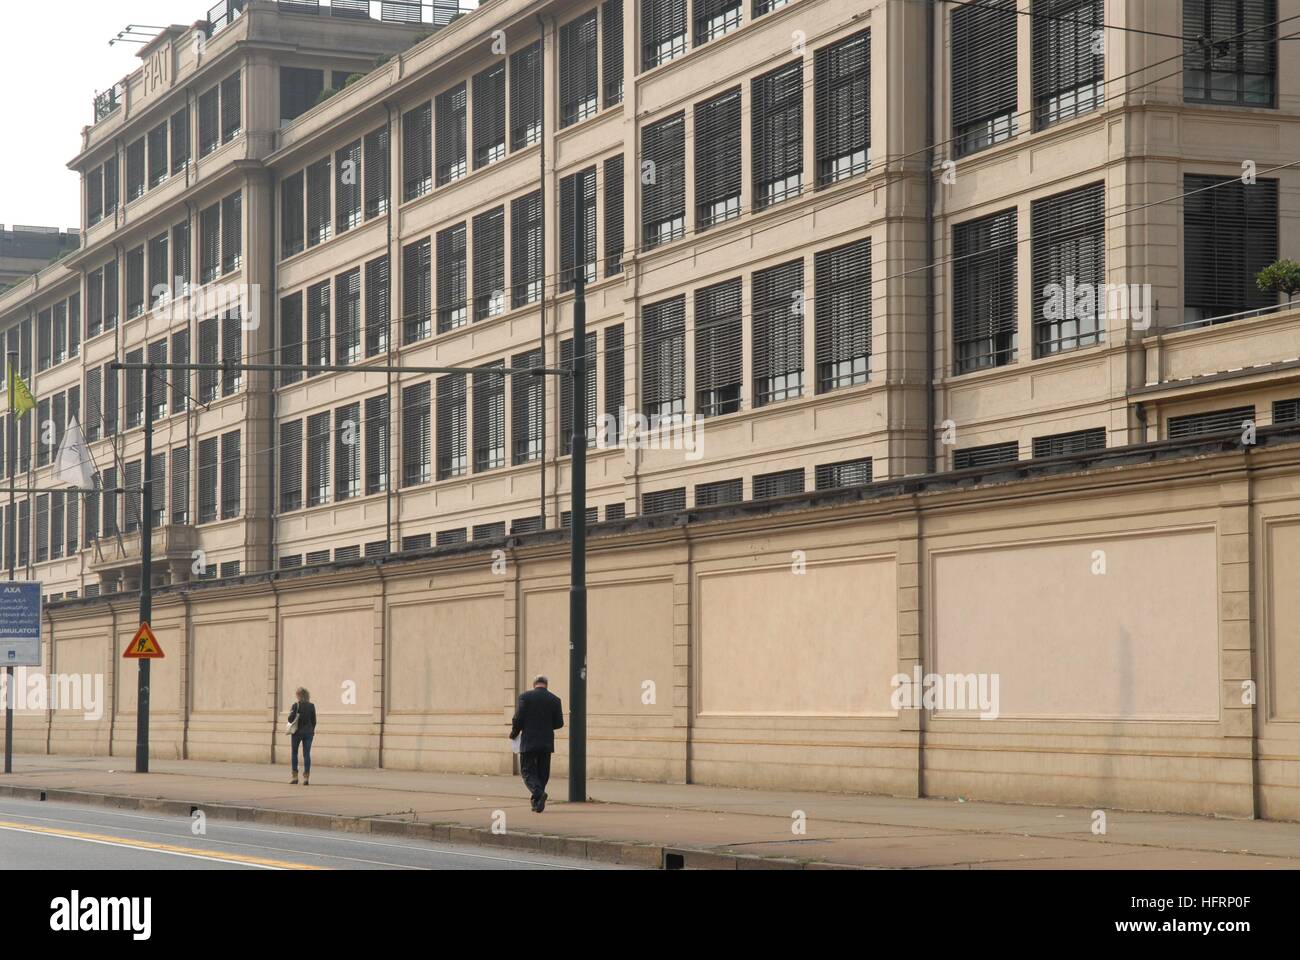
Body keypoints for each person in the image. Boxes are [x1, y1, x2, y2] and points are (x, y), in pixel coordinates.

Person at [509, 675, 564, 812]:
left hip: (529, 741)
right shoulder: (555, 699)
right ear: (546, 684)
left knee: (527, 771)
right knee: (542, 772)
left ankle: (539, 794)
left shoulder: (525, 697)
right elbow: (559, 723)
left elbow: (518, 718)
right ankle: (537, 802)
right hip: (546, 742)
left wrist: (514, 733)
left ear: (534, 684)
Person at [288, 687, 317, 786]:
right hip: (308, 733)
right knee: (307, 754)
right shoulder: (311, 706)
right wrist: (311, 730)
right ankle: (306, 778)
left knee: (294, 753)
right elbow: (314, 721)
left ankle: (295, 777)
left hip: (297, 733)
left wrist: (293, 713)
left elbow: (290, 719)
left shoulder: (296, 706)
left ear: (299, 696)